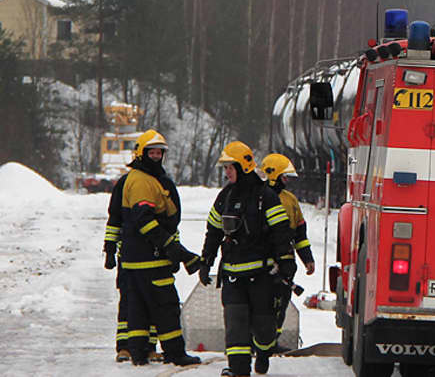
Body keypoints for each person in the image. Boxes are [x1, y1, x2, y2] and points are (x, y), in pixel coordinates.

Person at [199, 141, 294, 377]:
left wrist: (286, 261)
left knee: (264, 329)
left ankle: (263, 352)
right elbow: (213, 231)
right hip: (233, 276)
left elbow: (281, 231)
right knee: (235, 325)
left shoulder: (266, 196)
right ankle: (238, 369)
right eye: (225, 168)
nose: (227, 173)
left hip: (262, 277)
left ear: (243, 166)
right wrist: (206, 261)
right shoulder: (225, 196)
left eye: (230, 167)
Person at [119, 130, 203, 366]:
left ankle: (138, 352)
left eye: (159, 153)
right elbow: (145, 221)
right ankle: (175, 353)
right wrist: (172, 248)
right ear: (141, 154)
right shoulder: (142, 181)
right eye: (152, 153)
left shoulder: (142, 178)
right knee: (166, 306)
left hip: (135, 261)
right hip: (151, 259)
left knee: (139, 308)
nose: (156, 157)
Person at [104, 172, 161, 363]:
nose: (155, 157)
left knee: (152, 301)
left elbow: (169, 220)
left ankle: (150, 347)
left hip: (153, 256)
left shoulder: (161, 181)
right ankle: (124, 346)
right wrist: (110, 249)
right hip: (128, 256)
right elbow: (114, 219)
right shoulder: (125, 183)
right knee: (128, 301)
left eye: (158, 155)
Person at [260, 153, 316, 344]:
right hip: (261, 263)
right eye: (285, 176)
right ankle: (258, 341)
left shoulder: (291, 200)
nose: (287, 181)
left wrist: (307, 259)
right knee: (261, 304)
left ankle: (272, 341)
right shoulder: (257, 197)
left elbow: (300, 235)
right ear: (273, 174)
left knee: (281, 303)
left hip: (286, 263)